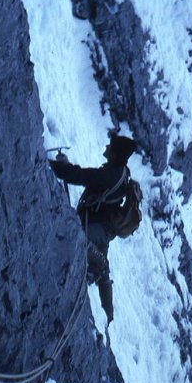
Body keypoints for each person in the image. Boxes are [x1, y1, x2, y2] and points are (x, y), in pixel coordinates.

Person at [48, 134, 140, 324]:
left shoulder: (110, 174)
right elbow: (86, 177)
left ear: (115, 153)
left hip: (94, 229)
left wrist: (49, 164)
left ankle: (103, 309)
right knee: (100, 267)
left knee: (87, 261)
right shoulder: (121, 173)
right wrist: (65, 166)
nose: (107, 145)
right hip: (101, 229)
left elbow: (81, 176)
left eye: (111, 145)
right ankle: (108, 313)